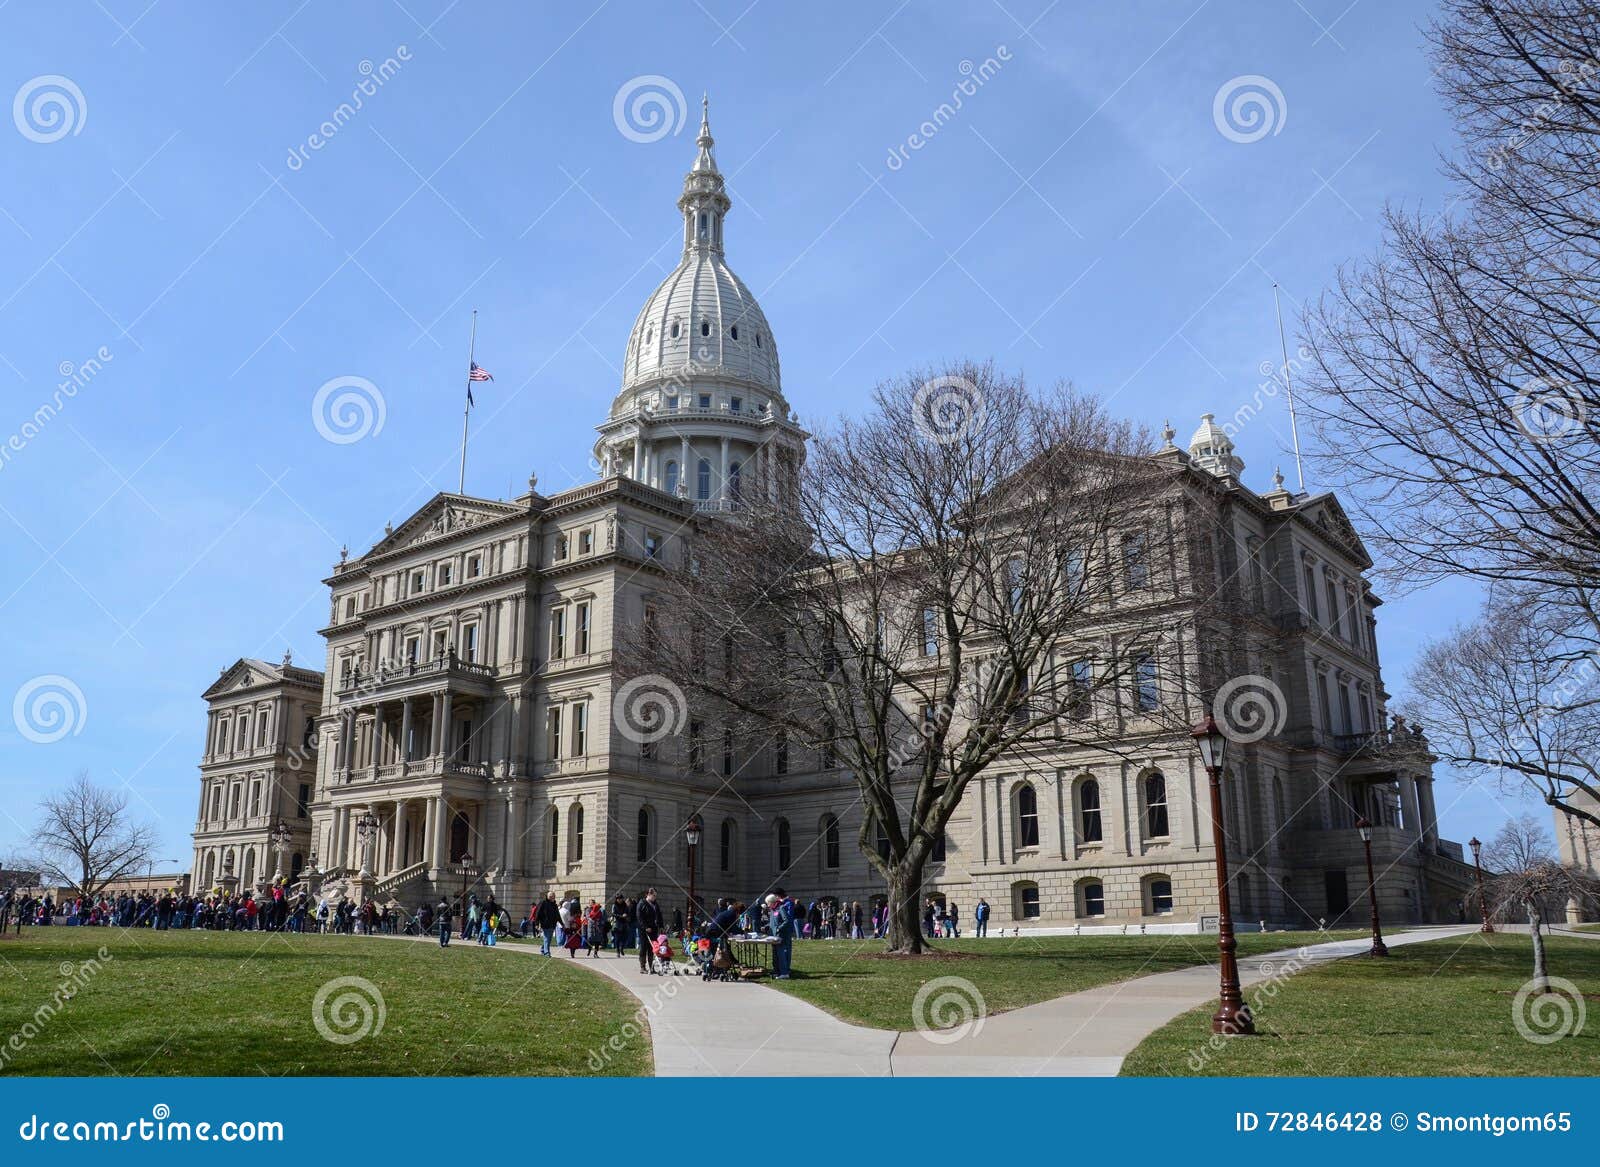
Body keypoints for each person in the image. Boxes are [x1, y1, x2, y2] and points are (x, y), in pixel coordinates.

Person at [768, 888, 797, 980]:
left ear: (777, 896)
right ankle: (778, 970)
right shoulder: (776, 907)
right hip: (776, 933)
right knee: (777, 952)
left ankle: (785, 970)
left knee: (784, 952)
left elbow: (788, 919)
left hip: (785, 932)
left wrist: (779, 928)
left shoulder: (786, 904)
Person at [636, 888, 663, 974]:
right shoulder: (641, 903)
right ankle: (643, 967)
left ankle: (652, 967)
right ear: (648, 894)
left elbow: (659, 915)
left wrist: (661, 926)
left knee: (653, 947)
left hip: (653, 929)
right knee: (644, 947)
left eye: (656, 896)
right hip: (644, 930)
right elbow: (639, 917)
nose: (655, 897)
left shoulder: (655, 904)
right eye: (653, 895)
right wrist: (645, 927)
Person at [535, 892, 560, 957]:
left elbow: (558, 915)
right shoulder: (543, 903)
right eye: (550, 896)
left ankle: (543, 950)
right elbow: (538, 913)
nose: (552, 897)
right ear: (547, 896)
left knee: (548, 939)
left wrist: (562, 923)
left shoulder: (554, 905)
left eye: (553, 896)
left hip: (552, 924)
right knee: (547, 938)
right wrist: (537, 923)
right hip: (545, 924)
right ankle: (547, 952)